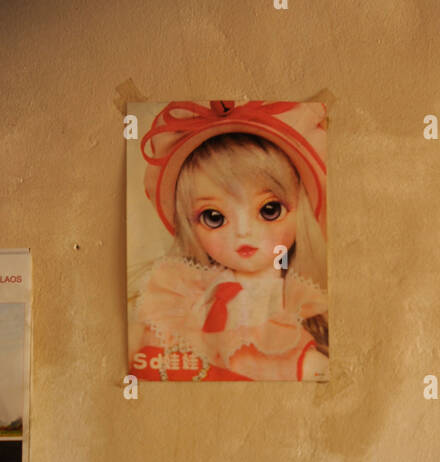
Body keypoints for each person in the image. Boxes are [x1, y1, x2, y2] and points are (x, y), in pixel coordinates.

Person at [127, 99, 329, 382]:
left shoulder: (299, 299)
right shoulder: (178, 293)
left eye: (269, 210)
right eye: (214, 217)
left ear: (301, 209)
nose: (243, 233)